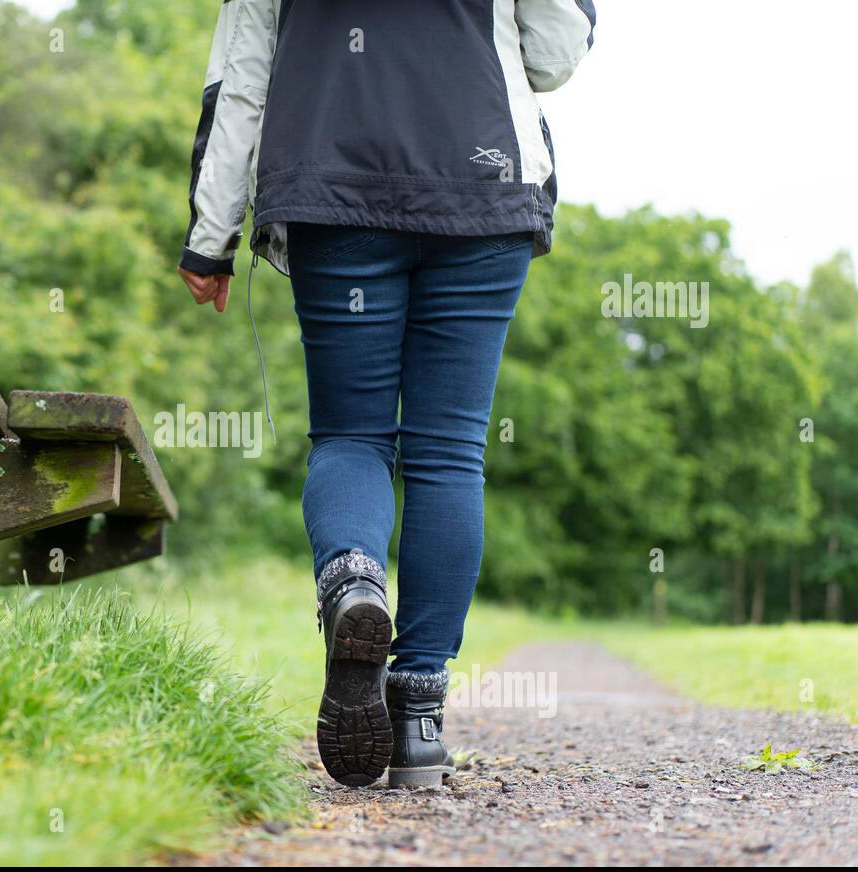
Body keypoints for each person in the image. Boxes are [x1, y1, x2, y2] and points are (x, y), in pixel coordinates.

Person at [178, 0, 596, 788]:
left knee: (351, 435)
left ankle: (353, 582)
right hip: (480, 185)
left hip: (332, 183)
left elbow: (241, 74)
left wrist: (211, 236)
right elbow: (554, 50)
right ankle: (418, 717)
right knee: (448, 452)